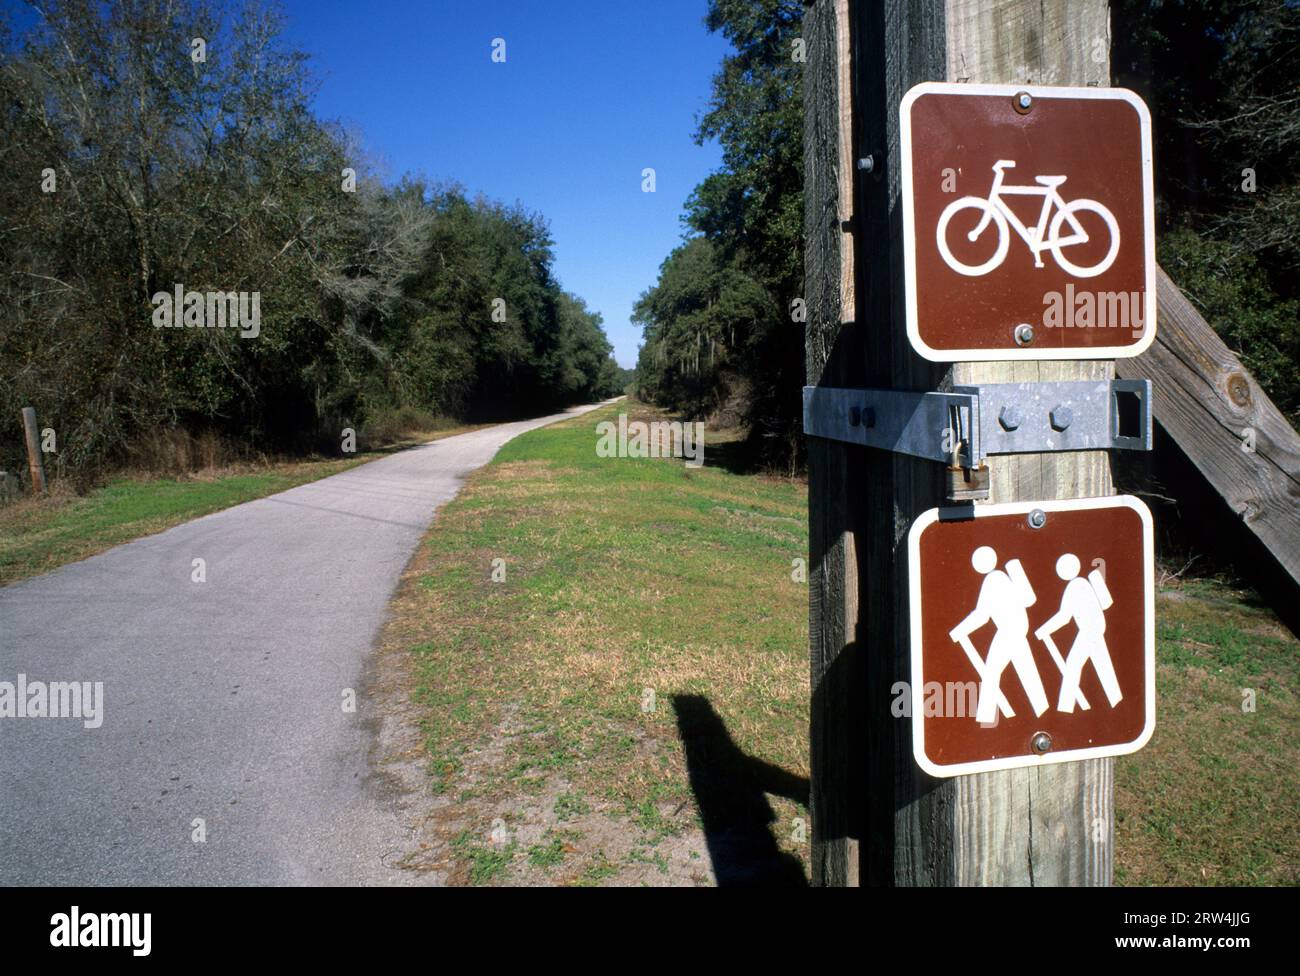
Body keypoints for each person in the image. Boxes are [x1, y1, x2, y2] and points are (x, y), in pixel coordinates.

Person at [949, 546, 1049, 725]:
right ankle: (1043, 712)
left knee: (991, 671)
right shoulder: (1002, 577)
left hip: (1009, 631)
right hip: (1018, 629)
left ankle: (986, 720)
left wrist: (959, 630)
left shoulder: (992, 580)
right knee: (1027, 671)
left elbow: (982, 614)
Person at [1034, 554, 1122, 713]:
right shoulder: (1083, 583)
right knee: (1102, 664)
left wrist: (1043, 630)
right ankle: (1116, 702)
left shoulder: (1074, 586)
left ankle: (1065, 708)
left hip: (1089, 630)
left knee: (1072, 664)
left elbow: (1064, 616)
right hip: (1095, 627)